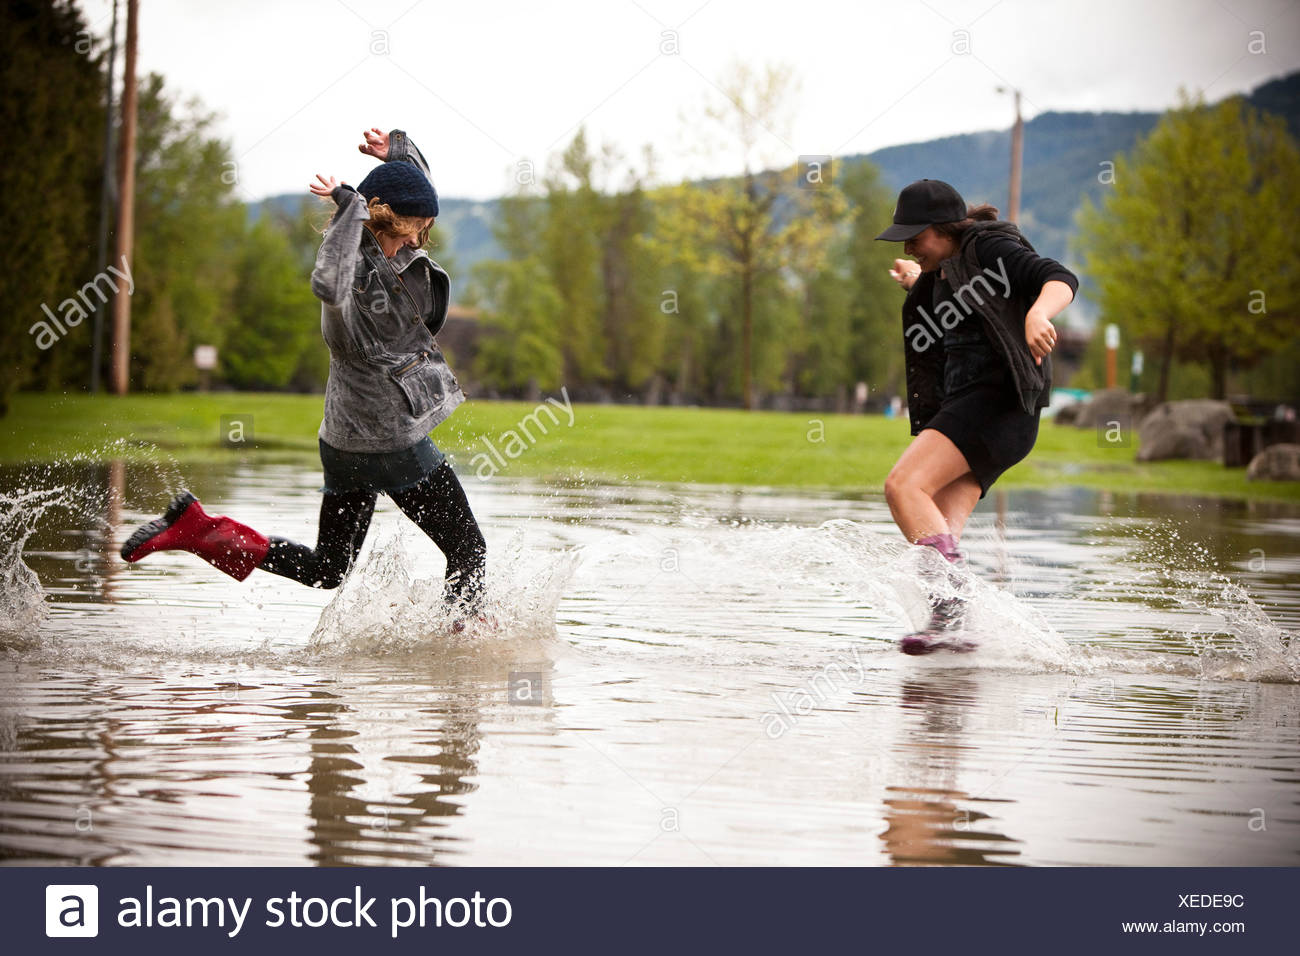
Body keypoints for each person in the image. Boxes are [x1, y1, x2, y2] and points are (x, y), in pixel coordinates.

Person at [121, 128, 487, 618]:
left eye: (417, 234)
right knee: (469, 552)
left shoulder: (383, 248)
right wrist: (350, 207)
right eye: (401, 235)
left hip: (342, 444)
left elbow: (415, 192)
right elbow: (326, 282)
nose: (410, 245)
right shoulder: (349, 283)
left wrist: (398, 155)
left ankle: (198, 530)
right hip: (392, 443)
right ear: (375, 222)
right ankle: (461, 659)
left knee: (327, 569)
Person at [875, 179, 1077, 654]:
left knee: (903, 487)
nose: (908, 245)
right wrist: (916, 279)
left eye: (915, 236)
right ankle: (955, 640)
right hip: (990, 414)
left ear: (945, 229)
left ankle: (953, 607)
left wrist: (1039, 315)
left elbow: (1059, 277)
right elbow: (966, 300)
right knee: (939, 524)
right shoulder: (948, 269)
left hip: (994, 403)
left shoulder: (990, 246)